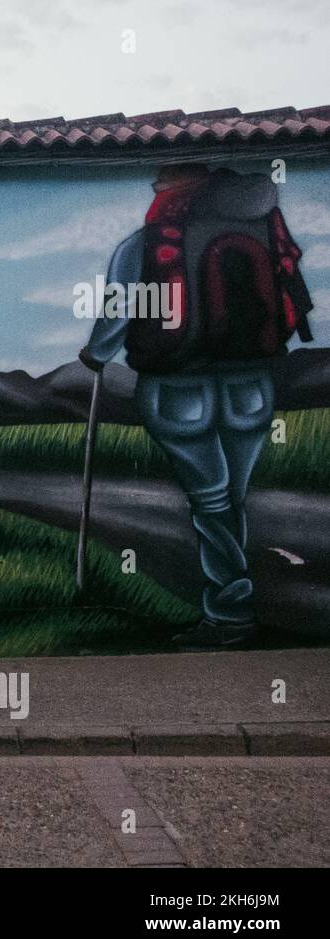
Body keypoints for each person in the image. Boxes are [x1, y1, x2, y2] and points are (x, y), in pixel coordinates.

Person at [79, 164, 314, 649]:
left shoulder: (147, 242)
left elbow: (121, 310)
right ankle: (236, 600)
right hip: (252, 385)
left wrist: (96, 355)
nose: (153, 192)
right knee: (230, 500)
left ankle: (230, 615)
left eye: (160, 185)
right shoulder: (261, 232)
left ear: (175, 191)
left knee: (211, 503)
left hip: (177, 389)